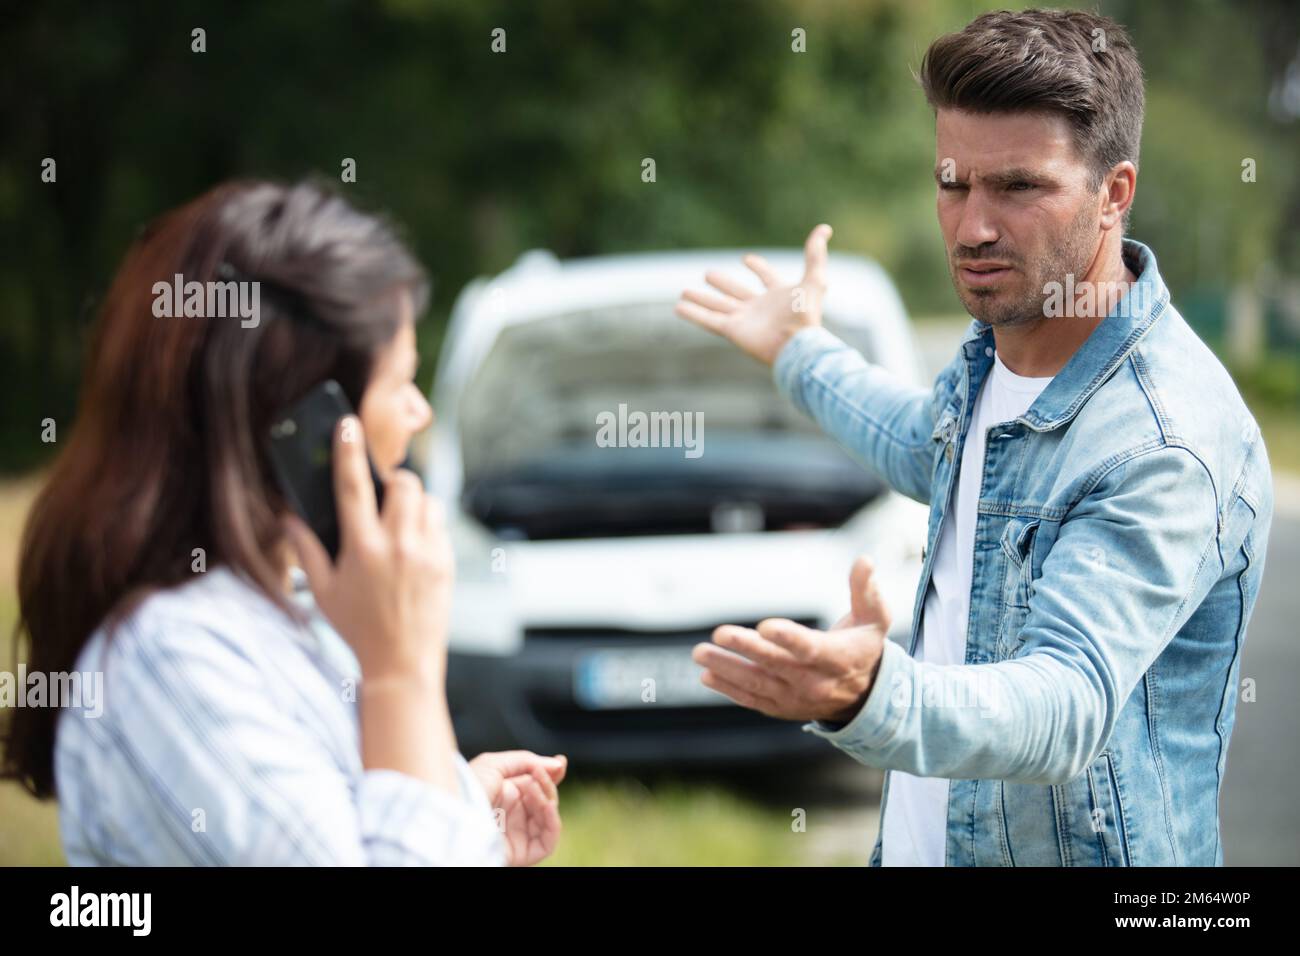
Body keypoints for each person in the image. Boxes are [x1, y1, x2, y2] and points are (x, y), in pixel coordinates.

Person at [676, 8, 1273, 866]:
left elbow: (1065, 704)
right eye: (953, 184)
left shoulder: (1161, 441)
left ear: (1115, 192)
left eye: (1019, 187)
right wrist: (800, 349)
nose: (973, 226)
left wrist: (873, 693)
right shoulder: (1000, 355)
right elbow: (928, 445)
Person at [3, 179, 565, 865]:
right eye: (401, 384)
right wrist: (401, 676)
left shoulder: (300, 619)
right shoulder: (172, 661)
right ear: (309, 428)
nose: (421, 415)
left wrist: (461, 815)